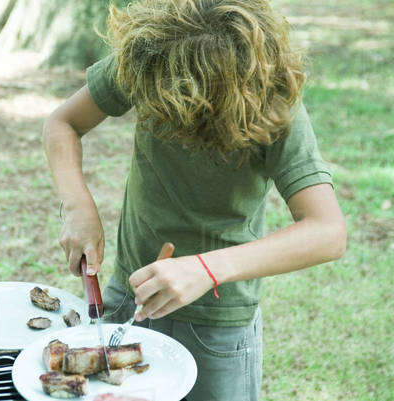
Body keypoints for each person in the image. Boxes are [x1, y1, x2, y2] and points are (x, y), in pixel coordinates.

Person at [43, 1, 347, 400]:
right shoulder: (153, 55)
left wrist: (207, 268)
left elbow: (328, 232)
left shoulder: (272, 100)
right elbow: (63, 123)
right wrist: (78, 206)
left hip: (216, 327)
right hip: (126, 299)